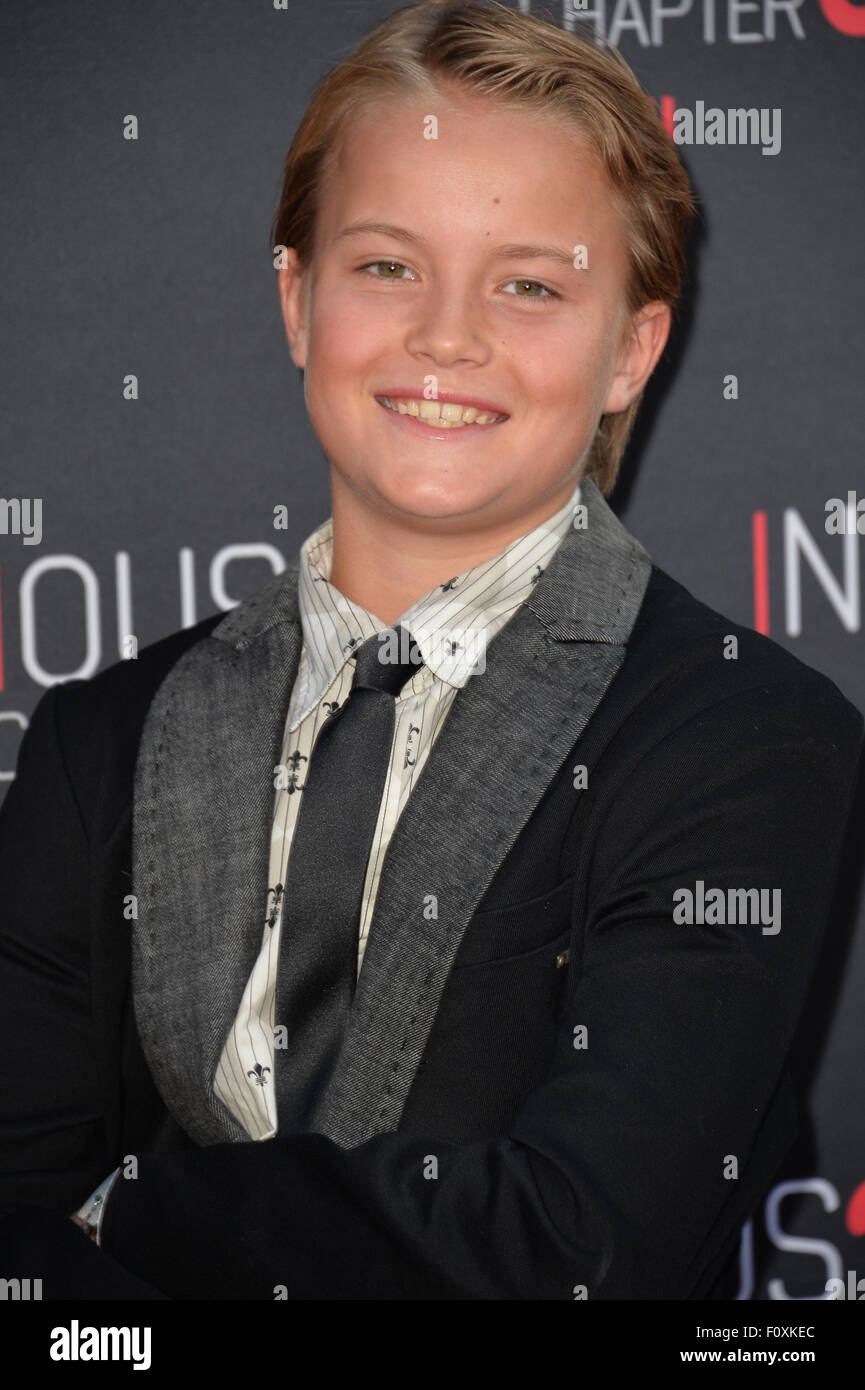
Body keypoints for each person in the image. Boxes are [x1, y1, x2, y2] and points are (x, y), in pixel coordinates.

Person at [0, 0, 861, 1300]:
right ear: (298, 301)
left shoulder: (744, 737)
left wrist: (136, 1204)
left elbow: (578, 1250)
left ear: (630, 348)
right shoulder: (99, 740)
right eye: (388, 264)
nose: (445, 335)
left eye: (529, 282)